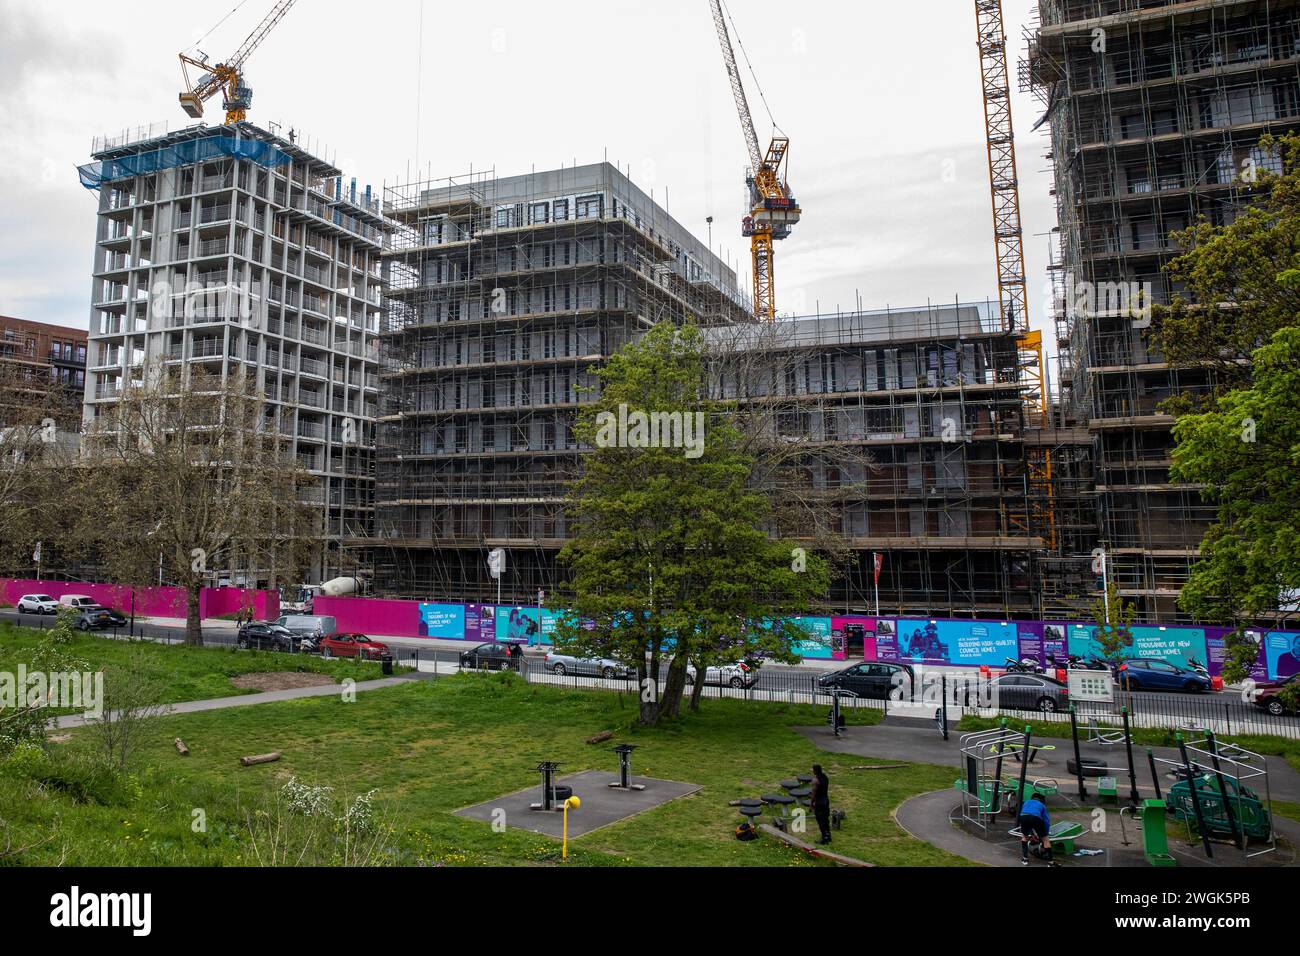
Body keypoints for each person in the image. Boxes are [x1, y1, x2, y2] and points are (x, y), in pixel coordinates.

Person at [1018, 791, 1054, 865]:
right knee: (1046, 840)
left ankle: (1025, 859)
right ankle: (1051, 862)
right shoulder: (1042, 805)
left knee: (1024, 837)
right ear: (1042, 800)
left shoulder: (1026, 802)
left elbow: (1027, 817)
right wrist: (1044, 834)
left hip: (1023, 817)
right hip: (1035, 818)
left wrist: (1032, 833)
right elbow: (1046, 821)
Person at [810, 764, 832, 845]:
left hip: (819, 802)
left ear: (815, 771)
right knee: (826, 819)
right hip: (826, 800)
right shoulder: (825, 777)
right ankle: (828, 835)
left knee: (820, 820)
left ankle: (823, 838)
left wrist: (811, 804)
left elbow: (814, 794)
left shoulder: (815, 780)